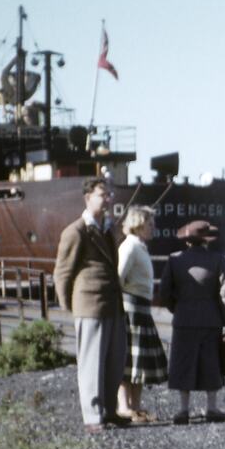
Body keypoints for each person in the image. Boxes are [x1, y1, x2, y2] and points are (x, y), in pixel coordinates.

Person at [53, 178, 129, 432]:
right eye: (102, 195)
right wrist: (69, 306)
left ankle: (109, 411)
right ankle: (93, 416)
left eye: (109, 195)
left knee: (114, 360)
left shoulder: (108, 229)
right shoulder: (76, 232)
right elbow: (63, 272)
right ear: (88, 198)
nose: (107, 199)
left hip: (112, 304)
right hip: (90, 304)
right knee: (92, 362)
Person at [159, 219, 225, 423]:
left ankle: (183, 410)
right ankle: (212, 408)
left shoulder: (174, 260)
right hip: (211, 319)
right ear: (206, 240)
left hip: (183, 319)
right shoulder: (218, 260)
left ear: (187, 241)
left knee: (183, 362)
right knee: (211, 362)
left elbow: (164, 293)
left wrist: (178, 308)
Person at [117, 205, 167, 422]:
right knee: (128, 359)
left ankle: (135, 406)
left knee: (138, 362)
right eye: (149, 223)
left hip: (141, 309)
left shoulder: (140, 246)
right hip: (130, 308)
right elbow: (118, 278)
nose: (153, 227)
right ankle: (123, 406)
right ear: (138, 224)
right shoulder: (129, 247)